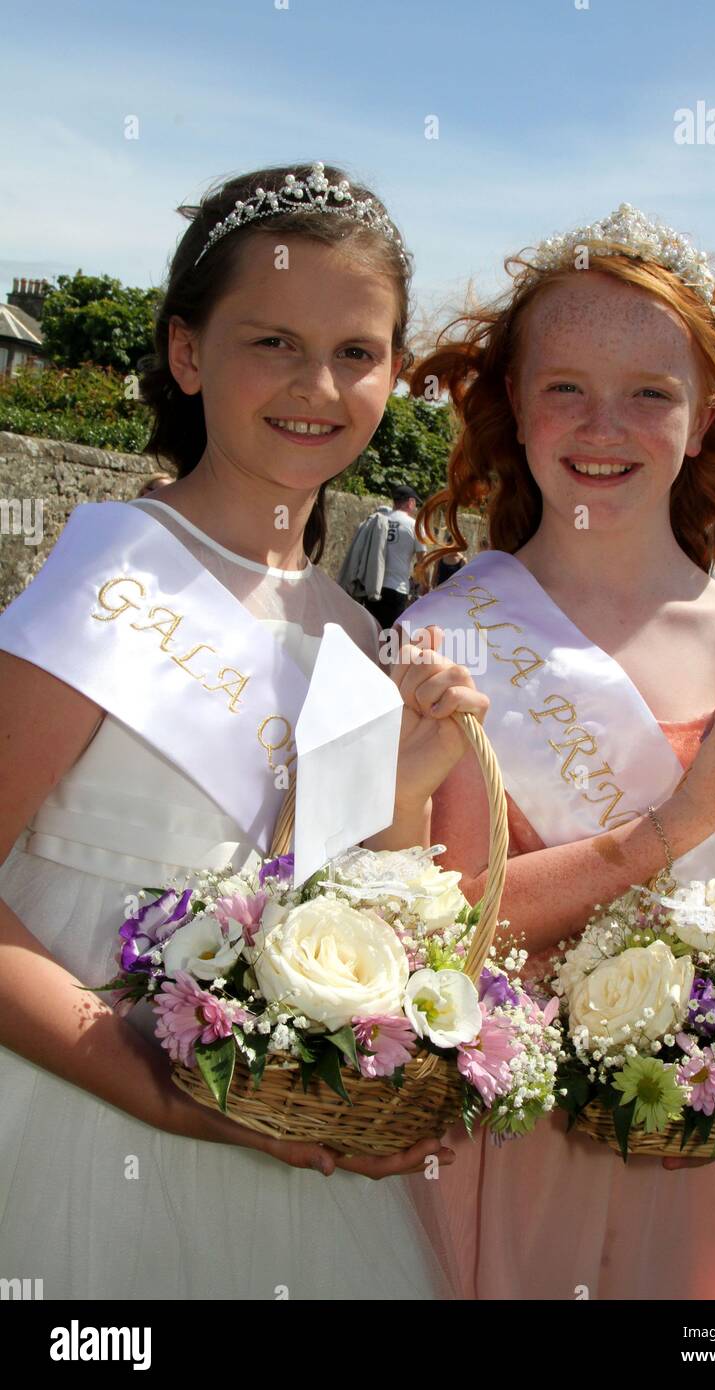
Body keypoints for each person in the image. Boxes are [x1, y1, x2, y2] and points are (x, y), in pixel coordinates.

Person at [0, 162, 488, 1301]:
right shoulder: (110, 575)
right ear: (185, 353)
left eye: (356, 352)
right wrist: (165, 1094)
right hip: (67, 1111)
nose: (316, 384)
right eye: (270, 340)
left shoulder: (358, 632)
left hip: (276, 1153)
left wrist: (407, 789)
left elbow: (344, 910)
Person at [400, 204, 715, 1300]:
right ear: (511, 406)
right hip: (486, 1139)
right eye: (564, 388)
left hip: (670, 1155)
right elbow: (426, 937)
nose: (603, 427)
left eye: (649, 392)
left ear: (703, 418)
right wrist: (672, 824)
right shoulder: (440, 638)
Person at [365, 485, 427, 629]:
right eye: (415, 503)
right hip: (397, 588)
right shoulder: (415, 525)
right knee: (390, 639)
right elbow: (422, 561)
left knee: (371, 635)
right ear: (410, 502)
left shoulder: (380, 520)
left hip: (373, 586)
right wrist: (425, 583)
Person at [337, 502, 390, 604]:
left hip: (357, 581)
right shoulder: (381, 523)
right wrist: (374, 589)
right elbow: (377, 557)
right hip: (367, 586)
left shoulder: (366, 523)